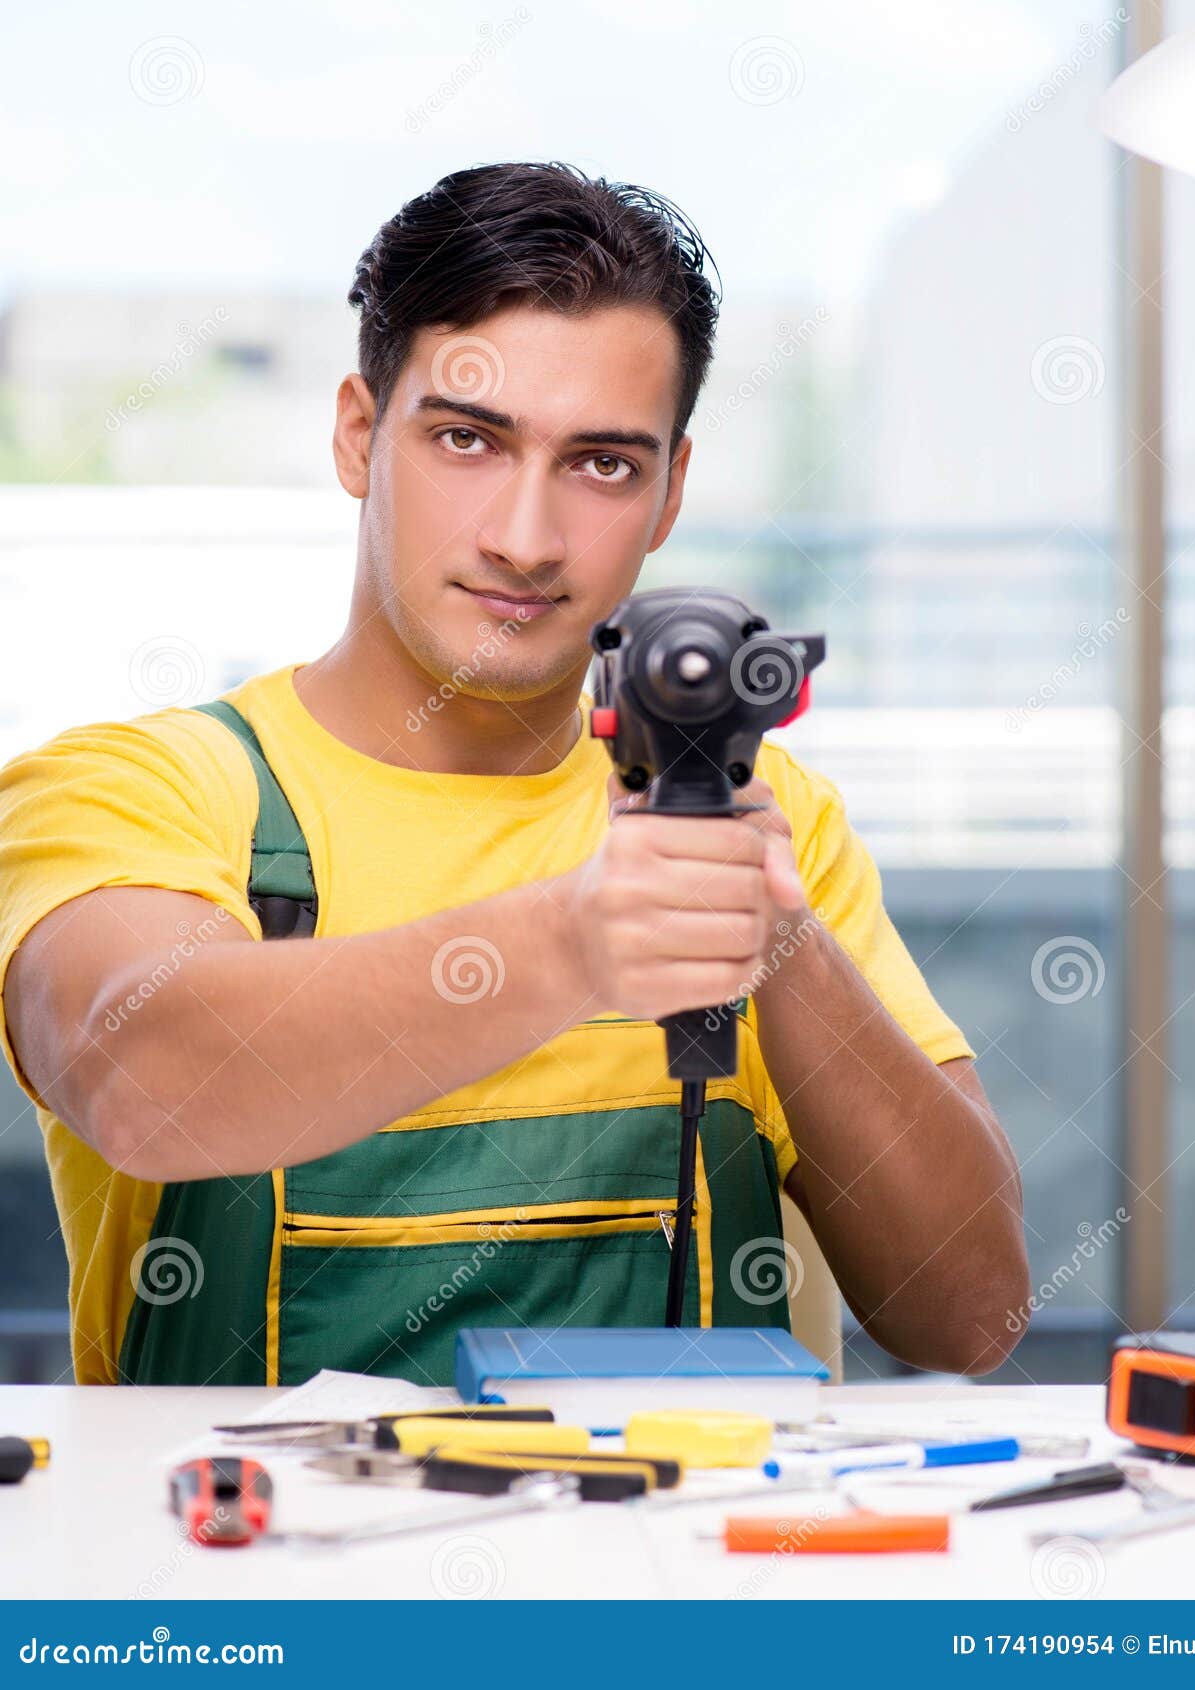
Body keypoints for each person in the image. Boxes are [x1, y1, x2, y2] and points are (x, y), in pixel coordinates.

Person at [0, 162, 1029, 1387]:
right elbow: (141, 1079)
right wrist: (579, 942)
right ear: (357, 433)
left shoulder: (771, 818)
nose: (526, 539)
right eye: (467, 439)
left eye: (602, 464)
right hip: (252, 1578)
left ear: (669, 493)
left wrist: (774, 941)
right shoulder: (147, 788)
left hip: (676, 1574)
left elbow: (972, 1314)